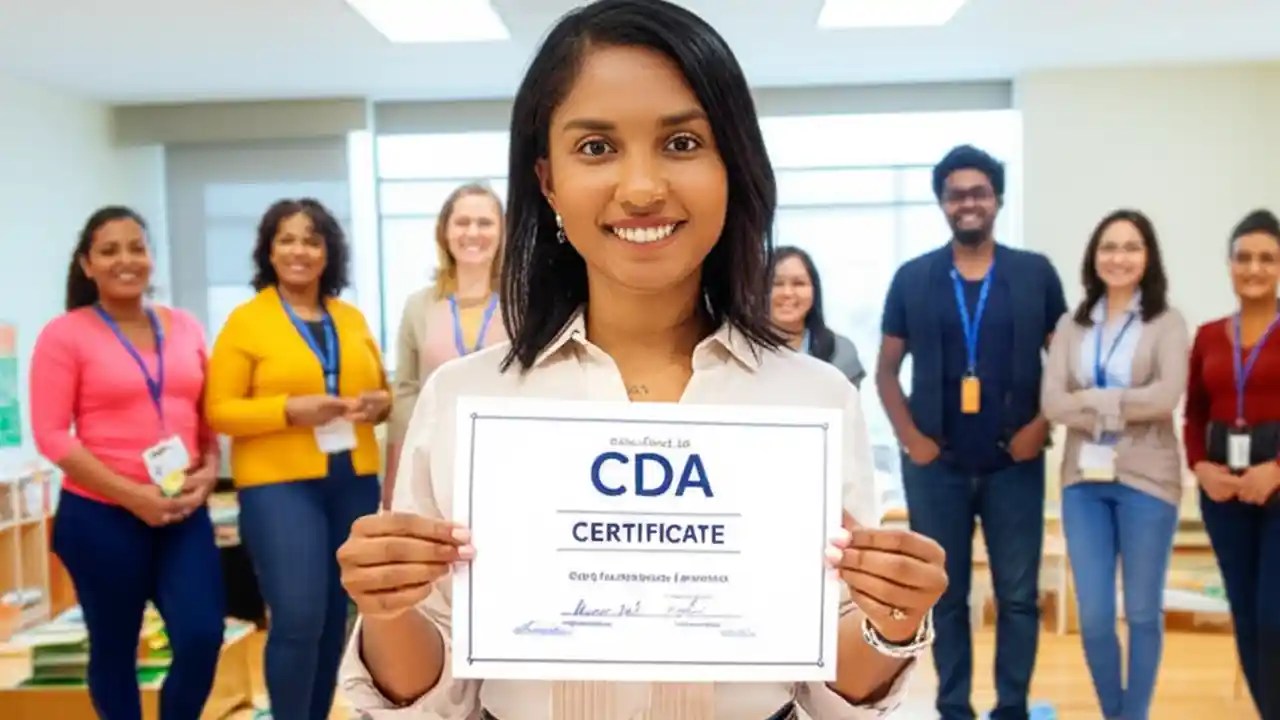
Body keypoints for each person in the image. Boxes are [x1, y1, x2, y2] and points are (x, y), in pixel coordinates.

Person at [334, 1, 948, 718]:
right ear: (547, 179)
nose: (642, 187)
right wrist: (385, 608)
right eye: (596, 148)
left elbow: (828, 688)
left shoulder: (814, 398)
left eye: (683, 143)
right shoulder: (464, 398)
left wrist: (893, 618)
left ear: (734, 165)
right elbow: (429, 695)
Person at [875, 144, 1068, 720]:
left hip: (1016, 462)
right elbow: (886, 370)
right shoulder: (913, 278)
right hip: (938, 469)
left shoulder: (1035, 274)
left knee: (1016, 597)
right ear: (942, 202)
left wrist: (1041, 425)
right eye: (957, 193)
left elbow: (1062, 365)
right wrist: (911, 439)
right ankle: (953, 708)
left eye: (979, 192)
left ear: (998, 200)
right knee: (947, 598)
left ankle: (1011, 708)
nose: (968, 202)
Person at [30, 206, 224, 720]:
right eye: (109, 250)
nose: (126, 260)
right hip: (101, 516)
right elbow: (50, 436)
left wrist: (208, 470)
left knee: (203, 634)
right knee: (115, 648)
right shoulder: (65, 334)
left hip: (181, 514)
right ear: (87, 264)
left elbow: (205, 414)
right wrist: (131, 495)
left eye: (136, 247)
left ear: (151, 258)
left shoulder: (183, 326)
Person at [205, 198, 389, 720]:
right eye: (287, 239)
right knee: (298, 615)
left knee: (337, 617)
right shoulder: (247, 322)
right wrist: (289, 409)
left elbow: (378, 391)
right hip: (279, 487)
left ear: (329, 252)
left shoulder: (349, 318)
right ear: (268, 250)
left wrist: (381, 404)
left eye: (312, 240)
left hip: (351, 479)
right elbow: (219, 410)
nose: (300, 251)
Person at [1040, 210, 1187, 720]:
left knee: (1143, 612)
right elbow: (1053, 402)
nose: (1119, 257)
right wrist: (1121, 401)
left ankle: (1134, 715)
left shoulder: (1166, 322)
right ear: (1094, 256)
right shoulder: (1072, 325)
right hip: (1084, 479)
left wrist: (1095, 400)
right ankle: (1114, 713)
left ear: (1148, 257)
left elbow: (1166, 397)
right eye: (1109, 247)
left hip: (1150, 479)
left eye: (1131, 247)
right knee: (1097, 616)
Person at [1184, 208, 1280, 720]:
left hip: (1278, 484)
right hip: (1223, 492)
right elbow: (1195, 414)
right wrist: (1201, 467)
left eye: (1267, 258)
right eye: (1244, 257)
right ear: (1229, 265)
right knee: (1245, 615)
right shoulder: (1208, 336)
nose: (1255, 268)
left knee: (1273, 617)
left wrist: (1277, 470)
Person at [386, 182, 507, 504]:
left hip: (505, 455)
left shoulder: (523, 305)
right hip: (435, 459)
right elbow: (407, 391)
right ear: (445, 232)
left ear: (502, 232)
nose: (473, 232)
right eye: (462, 222)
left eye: (485, 223)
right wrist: (395, 479)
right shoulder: (419, 306)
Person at [770, 245, 866, 387]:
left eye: (799, 284)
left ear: (815, 291)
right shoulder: (738, 351)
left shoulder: (840, 351)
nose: (787, 293)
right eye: (776, 284)